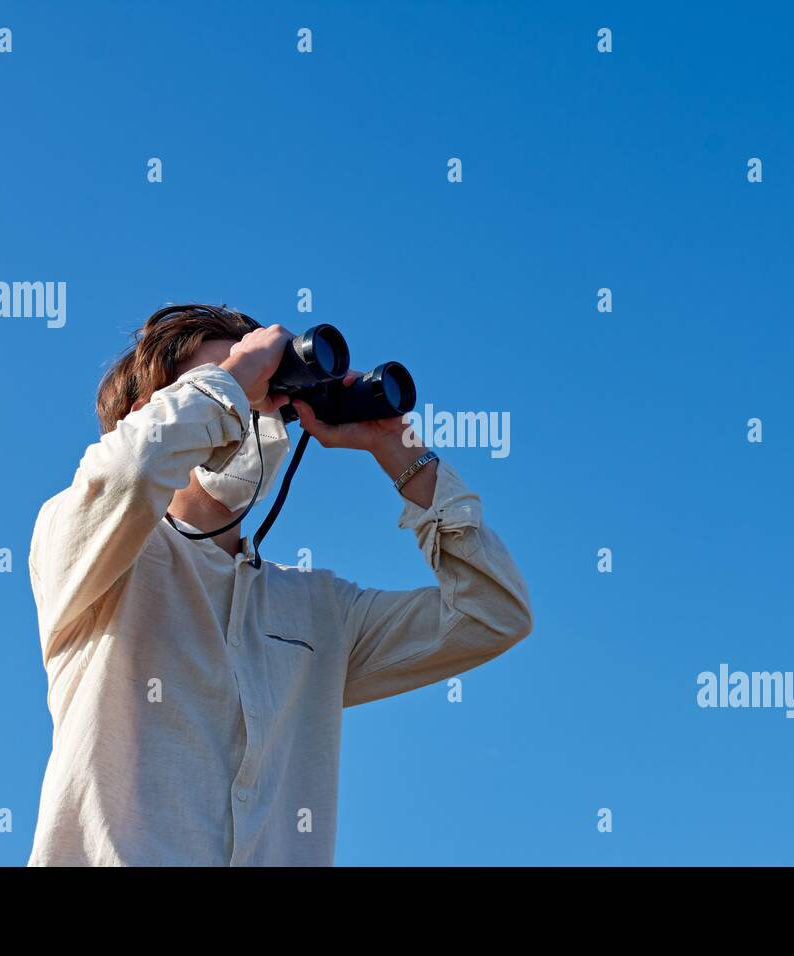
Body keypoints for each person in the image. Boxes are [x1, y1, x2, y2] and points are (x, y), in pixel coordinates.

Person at [26, 304, 533, 865]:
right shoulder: (86, 550)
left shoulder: (318, 611)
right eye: (228, 387)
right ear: (152, 413)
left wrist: (398, 450)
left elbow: (492, 614)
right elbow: (130, 472)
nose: (249, 414)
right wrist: (235, 376)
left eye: (265, 396)